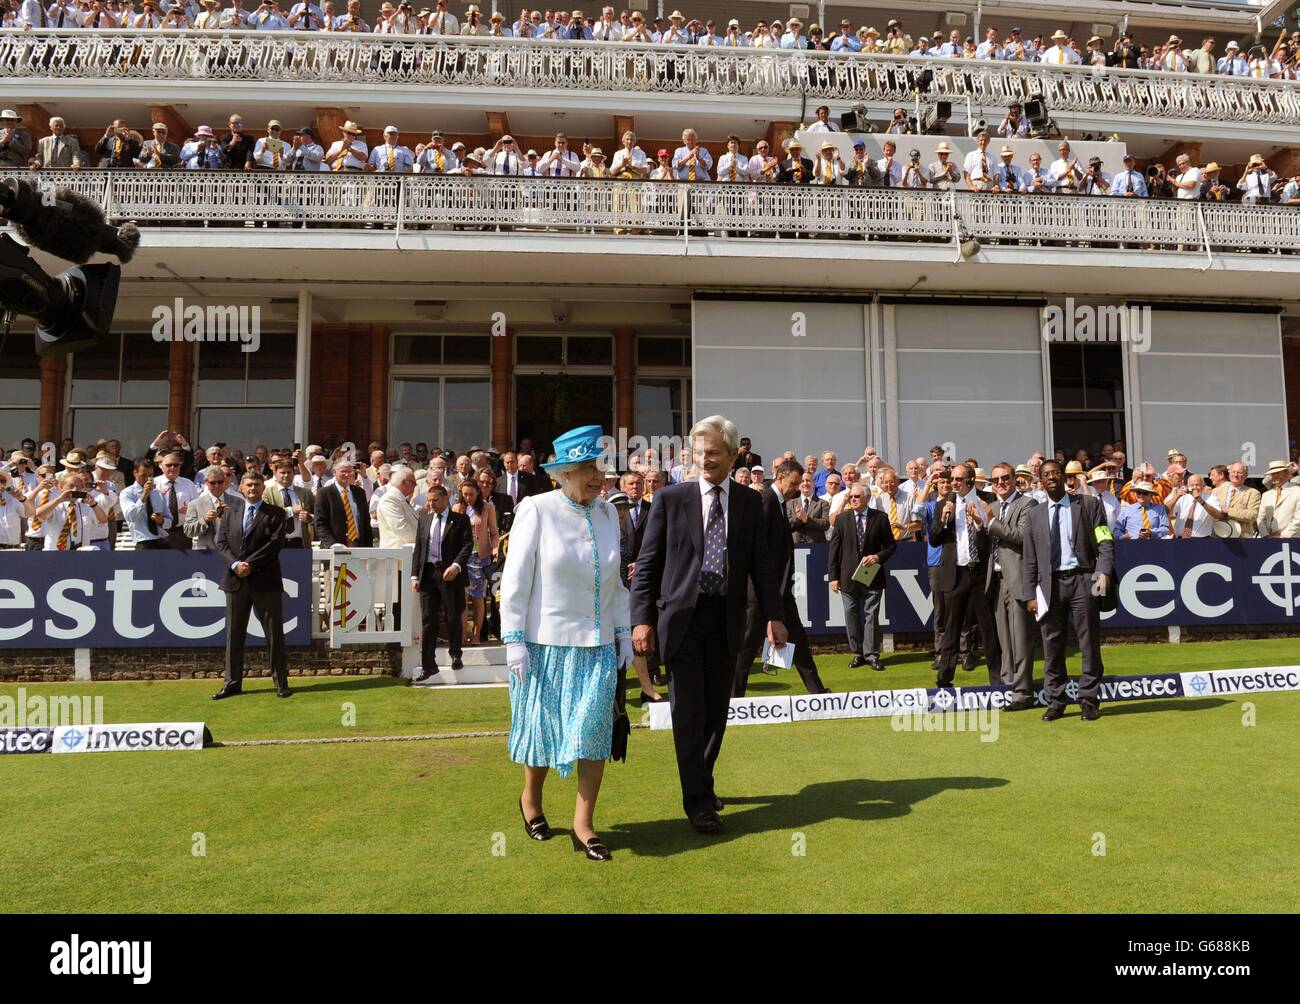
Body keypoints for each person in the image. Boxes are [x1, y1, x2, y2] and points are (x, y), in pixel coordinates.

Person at [631, 416, 786, 835]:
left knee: (717, 712)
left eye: (714, 453)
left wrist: (774, 615)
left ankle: (703, 779)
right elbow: (647, 567)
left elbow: (763, 567)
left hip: (728, 619)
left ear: (734, 455)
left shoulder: (750, 503)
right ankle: (698, 802)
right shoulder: (670, 499)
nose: (706, 460)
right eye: (700, 453)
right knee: (688, 713)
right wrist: (641, 620)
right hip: (680, 620)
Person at [501, 426, 633, 862]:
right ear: (564, 473)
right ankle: (531, 800)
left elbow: (613, 582)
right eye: (589, 468)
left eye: (601, 468)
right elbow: (516, 579)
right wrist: (513, 640)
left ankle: (583, 824)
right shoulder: (535, 509)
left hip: (596, 646)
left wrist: (622, 632)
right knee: (541, 733)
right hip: (543, 646)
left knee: (592, 734)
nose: (599, 477)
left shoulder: (609, 514)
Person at [1023, 460, 1114, 721]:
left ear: (1065, 478)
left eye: (1055, 473)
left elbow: (1105, 541)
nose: (1051, 478)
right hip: (1049, 586)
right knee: (1051, 646)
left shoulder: (1089, 506)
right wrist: (1030, 593)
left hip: (1084, 581)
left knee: (1089, 644)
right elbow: (1029, 558)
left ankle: (1088, 700)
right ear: (1040, 481)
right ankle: (1055, 701)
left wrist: (1103, 572)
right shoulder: (1034, 515)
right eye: (1046, 475)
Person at [732, 459, 829, 697]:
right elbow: (758, 545)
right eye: (794, 483)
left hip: (779, 589)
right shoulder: (766, 499)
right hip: (762, 590)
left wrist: (795, 522)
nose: (796, 488)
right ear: (779, 477)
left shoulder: (776, 502)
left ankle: (817, 691)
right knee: (746, 646)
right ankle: (733, 698)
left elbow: (777, 535)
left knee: (798, 639)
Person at [214, 471, 291, 700]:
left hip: (265, 580)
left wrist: (249, 564)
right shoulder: (230, 513)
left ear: (262, 487)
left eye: (257, 484)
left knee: (274, 634)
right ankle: (232, 683)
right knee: (234, 635)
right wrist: (236, 564)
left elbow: (275, 544)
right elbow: (222, 543)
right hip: (236, 581)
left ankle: (281, 682)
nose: (253, 488)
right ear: (241, 487)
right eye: (249, 485)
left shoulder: (276, 513)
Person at [928, 464, 1000, 687]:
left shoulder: (987, 500)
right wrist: (944, 518)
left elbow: (993, 538)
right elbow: (934, 539)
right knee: (951, 629)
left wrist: (979, 523)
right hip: (955, 573)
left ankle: (997, 680)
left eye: (959, 479)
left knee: (988, 629)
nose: (954, 483)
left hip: (980, 573)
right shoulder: (943, 504)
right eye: (952, 479)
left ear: (970, 480)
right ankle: (944, 679)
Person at [981, 463, 1038, 708]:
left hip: (1017, 580)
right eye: (995, 480)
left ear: (1015, 479)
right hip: (995, 581)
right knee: (1004, 640)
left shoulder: (1028, 504)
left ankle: (1023, 693)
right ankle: (1008, 687)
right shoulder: (992, 507)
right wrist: (977, 524)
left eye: (1005, 478)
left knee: (1021, 640)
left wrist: (990, 522)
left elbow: (1021, 536)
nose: (1000, 483)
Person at [828, 482, 895, 670]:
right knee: (850, 614)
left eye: (857, 496)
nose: (853, 500)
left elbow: (891, 546)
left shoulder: (880, 518)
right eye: (851, 497)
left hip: (872, 575)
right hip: (847, 576)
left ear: (867, 497)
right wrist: (833, 577)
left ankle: (872, 654)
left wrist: (877, 557)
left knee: (871, 615)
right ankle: (857, 653)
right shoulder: (842, 519)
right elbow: (834, 550)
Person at [410, 484, 472, 678]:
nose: (431, 504)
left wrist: (456, 566)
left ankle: (455, 654)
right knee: (428, 619)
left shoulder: (461, 520)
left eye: (435, 500)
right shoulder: (424, 520)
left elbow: (467, 545)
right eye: (429, 500)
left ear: (446, 499)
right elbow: (418, 550)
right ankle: (428, 664)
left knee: (452, 616)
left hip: (450, 574)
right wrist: (414, 576)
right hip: (428, 575)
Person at [314, 461, 373, 546]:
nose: (347, 474)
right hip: (336, 547)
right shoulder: (324, 493)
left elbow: (365, 521)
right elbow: (320, 523)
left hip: (358, 545)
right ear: (334, 472)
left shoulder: (359, 492)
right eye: (343, 471)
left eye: (349, 472)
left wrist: (368, 548)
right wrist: (332, 544)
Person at [1257, 460, 1300, 537]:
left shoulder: (1297, 491)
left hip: (1293, 540)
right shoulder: (1266, 495)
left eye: (1278, 473)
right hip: (1269, 541)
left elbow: (1298, 518)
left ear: (1287, 473)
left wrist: (1283, 536)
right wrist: (1265, 535)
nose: (1275, 475)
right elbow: (1261, 518)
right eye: (1273, 473)